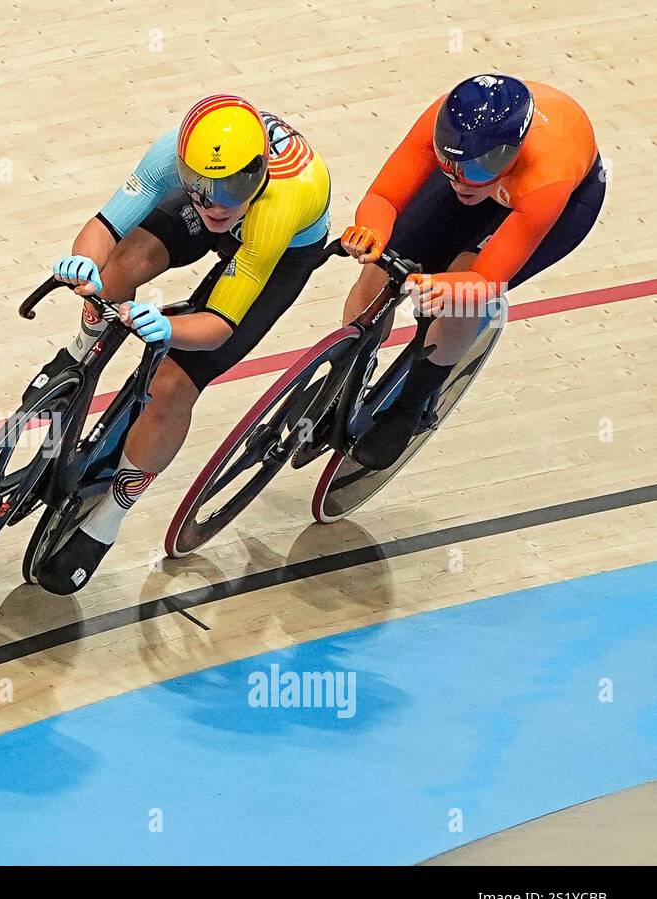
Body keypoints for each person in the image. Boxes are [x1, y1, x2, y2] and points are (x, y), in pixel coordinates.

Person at [29, 94, 331, 595]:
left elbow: (218, 323)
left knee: (171, 384)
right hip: (226, 208)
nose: (217, 204)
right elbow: (105, 227)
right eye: (202, 189)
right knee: (117, 269)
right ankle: (78, 357)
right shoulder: (173, 157)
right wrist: (84, 264)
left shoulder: (282, 199)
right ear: (184, 167)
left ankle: (109, 515)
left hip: (273, 251)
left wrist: (168, 329)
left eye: (232, 186)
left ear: (256, 173)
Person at [339, 74, 605, 468]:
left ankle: (410, 405)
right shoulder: (450, 136)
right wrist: (370, 232)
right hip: (495, 174)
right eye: (447, 163)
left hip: (554, 202)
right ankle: (346, 373)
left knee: (461, 290)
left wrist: (446, 287)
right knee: (382, 268)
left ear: (511, 151)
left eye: (478, 168)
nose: (462, 179)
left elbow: (484, 281)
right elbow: (383, 197)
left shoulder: (548, 174)